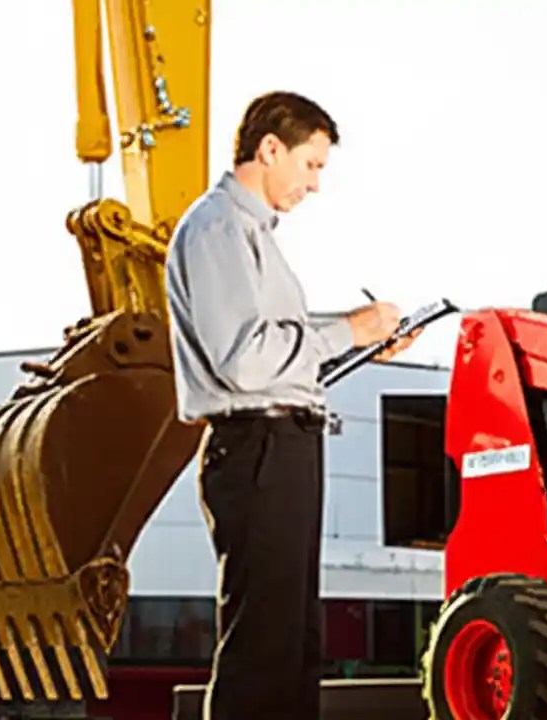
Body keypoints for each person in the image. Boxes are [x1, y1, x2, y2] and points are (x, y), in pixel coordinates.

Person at [163, 90, 417, 720]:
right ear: (270, 148)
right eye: (312, 165)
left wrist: (358, 341)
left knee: (294, 643)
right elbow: (245, 361)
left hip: (280, 444)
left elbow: (274, 354)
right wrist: (347, 331)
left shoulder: (249, 234)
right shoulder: (219, 227)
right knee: (264, 645)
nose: (316, 184)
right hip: (258, 446)